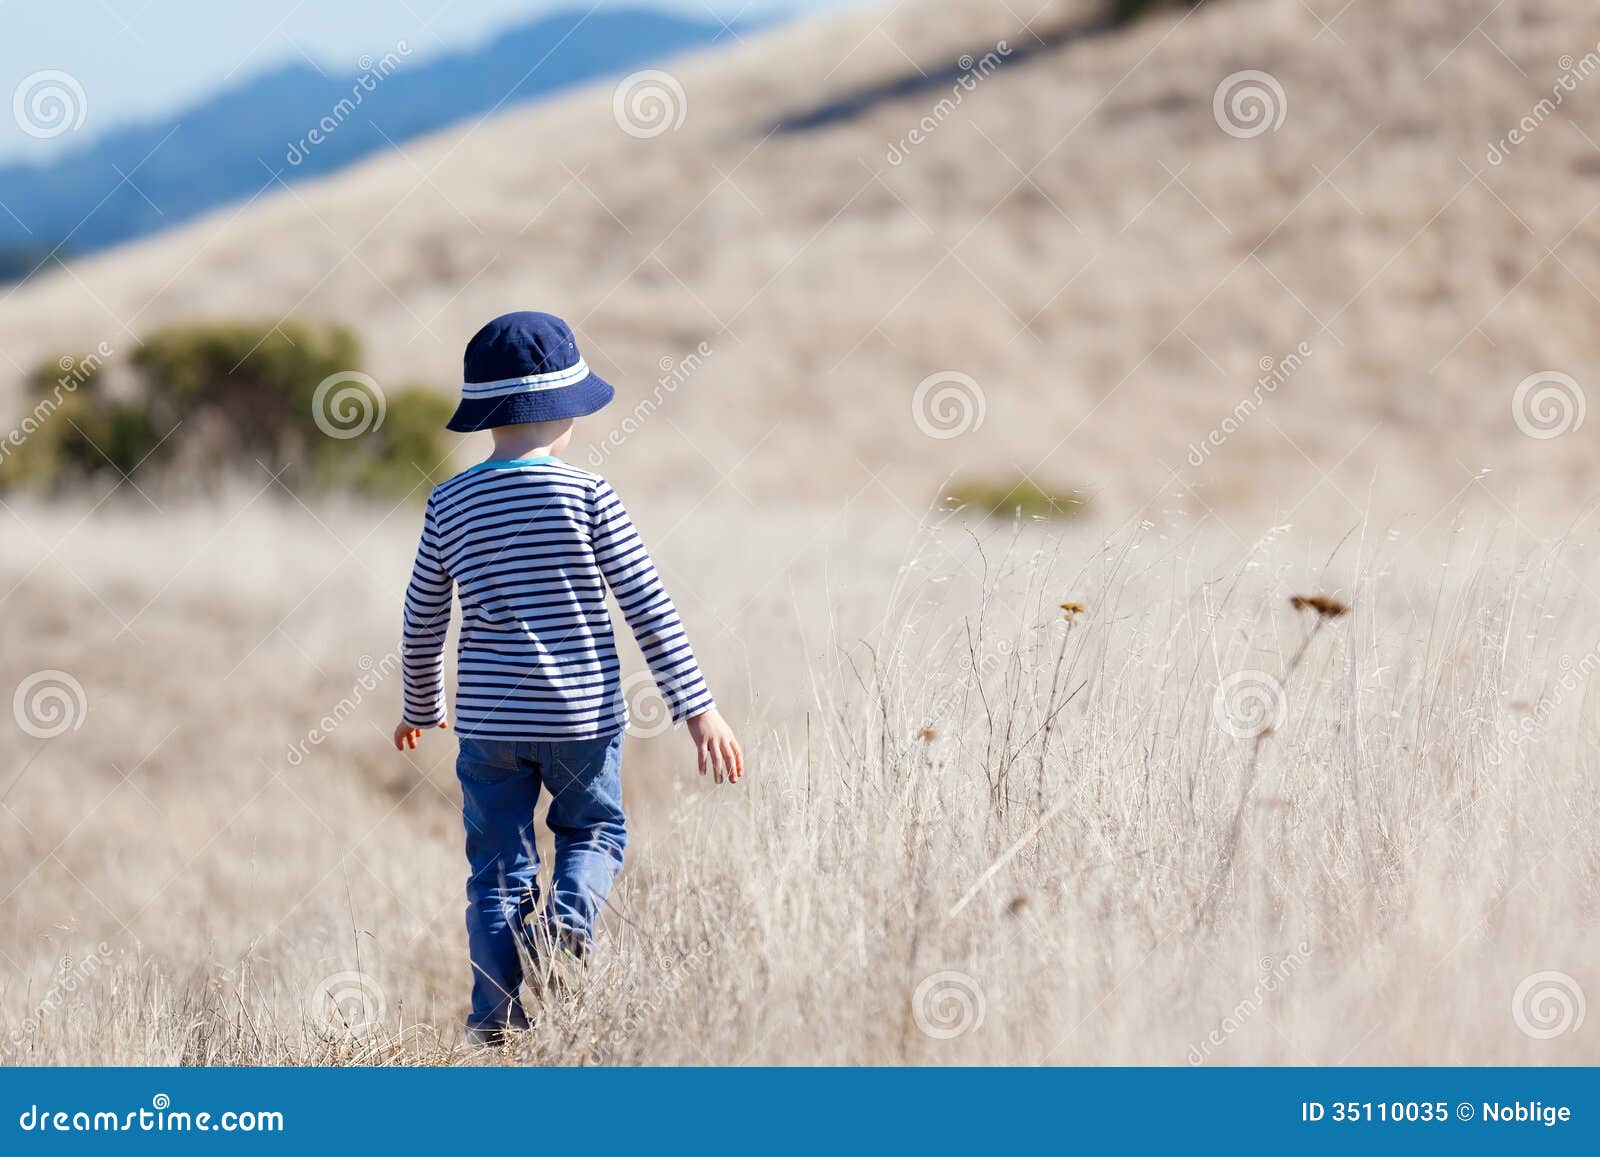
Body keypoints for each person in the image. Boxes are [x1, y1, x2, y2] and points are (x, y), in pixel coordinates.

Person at [392, 311, 743, 1043]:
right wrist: (697, 709)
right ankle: (568, 923)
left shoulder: (450, 502)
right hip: (582, 718)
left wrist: (420, 703)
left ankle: (495, 1023)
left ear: (486, 412)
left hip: (489, 726)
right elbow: (650, 606)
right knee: (593, 832)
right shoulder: (590, 497)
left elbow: (423, 614)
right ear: (566, 411)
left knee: (496, 869)